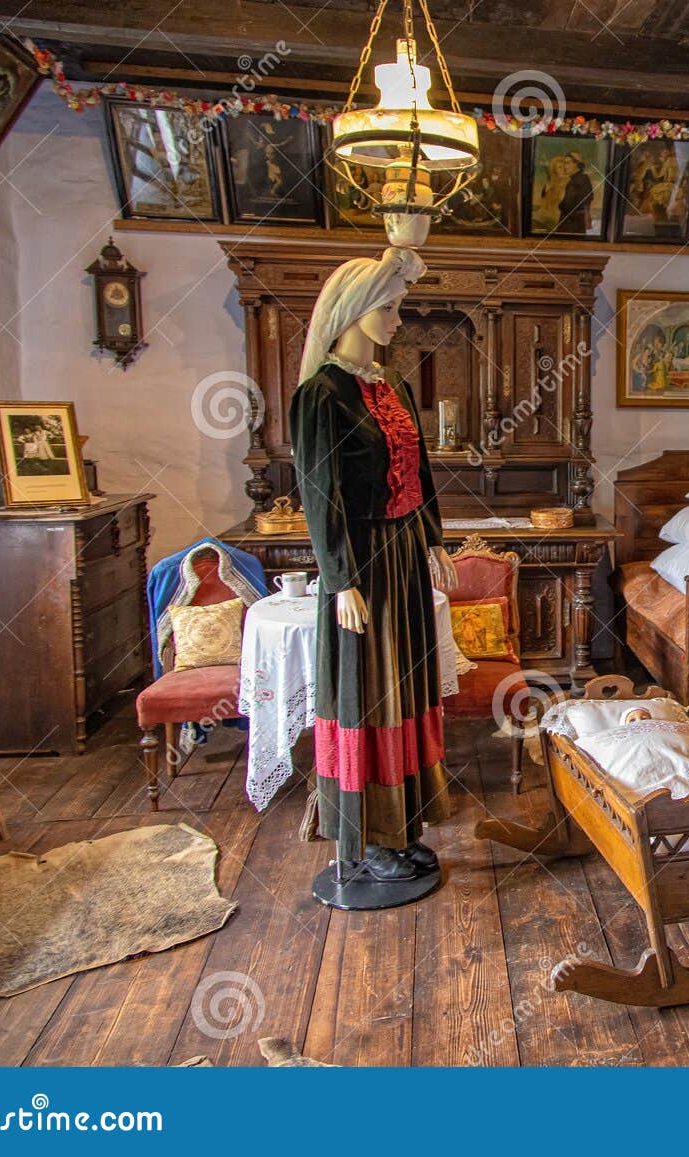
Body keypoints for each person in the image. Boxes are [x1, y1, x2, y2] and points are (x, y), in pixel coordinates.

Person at [290, 245, 459, 908]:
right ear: (354, 310)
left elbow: (418, 474)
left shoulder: (395, 387)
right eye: (388, 307)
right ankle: (364, 835)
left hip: (405, 561)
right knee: (367, 694)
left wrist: (435, 539)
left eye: (398, 306)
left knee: (408, 688)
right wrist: (340, 581)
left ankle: (402, 823)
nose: (397, 319)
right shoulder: (321, 396)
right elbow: (318, 492)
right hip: (361, 566)